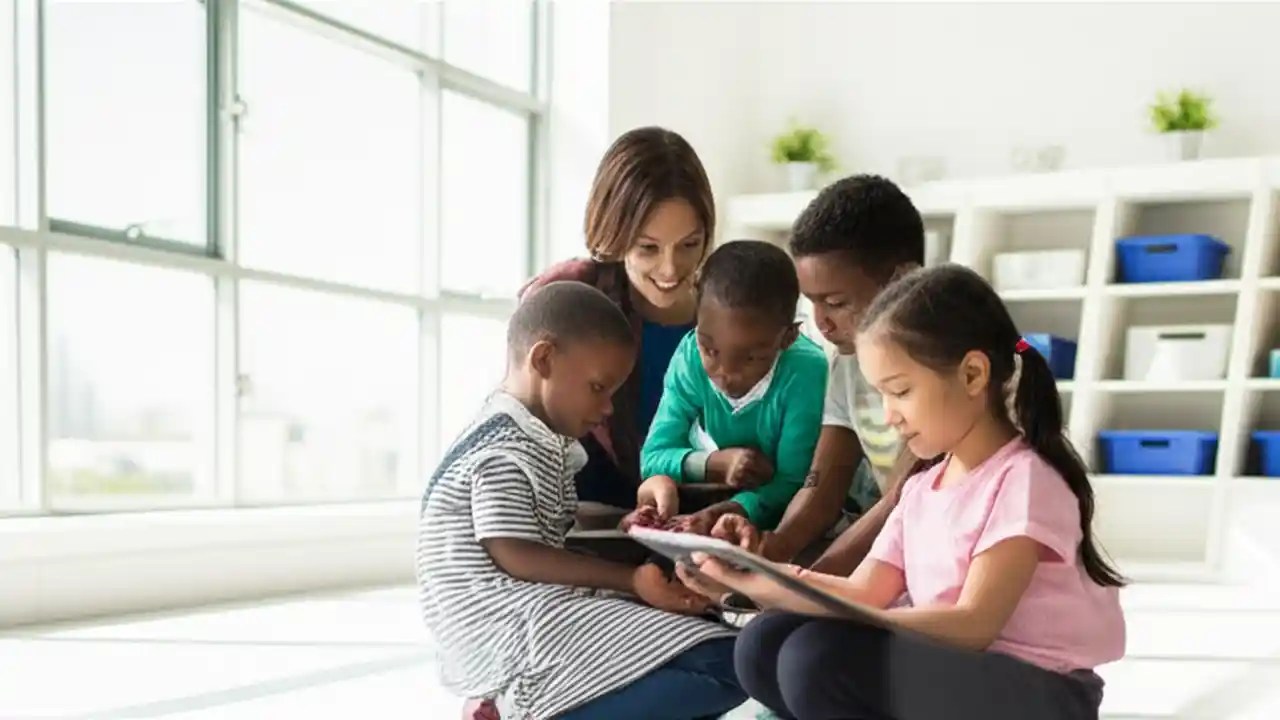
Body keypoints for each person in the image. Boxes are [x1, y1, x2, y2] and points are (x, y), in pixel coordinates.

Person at [692, 265, 1127, 720]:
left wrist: (855, 620)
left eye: (899, 391)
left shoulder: (1023, 480)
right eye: (880, 395)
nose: (889, 415)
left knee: (817, 659)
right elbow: (864, 592)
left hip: (1043, 694)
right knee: (763, 641)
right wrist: (749, 578)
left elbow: (973, 625)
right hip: (963, 676)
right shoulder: (922, 487)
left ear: (973, 374)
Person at [417, 281, 745, 720]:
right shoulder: (503, 450)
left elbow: (545, 533)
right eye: (598, 388)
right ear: (544, 359)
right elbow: (515, 553)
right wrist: (630, 579)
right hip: (506, 627)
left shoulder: (525, 434)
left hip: (528, 613)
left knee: (708, 643)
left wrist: (634, 522)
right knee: (729, 662)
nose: (608, 408)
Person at [711, 175, 925, 572]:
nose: (821, 322)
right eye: (811, 302)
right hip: (891, 548)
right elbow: (822, 485)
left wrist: (804, 582)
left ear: (902, 281)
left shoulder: (941, 371)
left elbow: (903, 499)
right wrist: (770, 549)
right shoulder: (847, 364)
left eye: (837, 302)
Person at [521, 127, 714, 511]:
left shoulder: (730, 307)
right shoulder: (570, 297)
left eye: (689, 245)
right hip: (583, 522)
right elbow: (521, 423)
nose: (670, 268)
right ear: (614, 233)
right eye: (647, 248)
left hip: (702, 517)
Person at [629, 240, 827, 536]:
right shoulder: (690, 357)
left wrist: (732, 510)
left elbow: (794, 482)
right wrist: (715, 464)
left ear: (787, 338)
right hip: (712, 511)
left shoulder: (805, 372)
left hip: (786, 525)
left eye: (750, 358)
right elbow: (653, 457)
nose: (726, 373)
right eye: (710, 349)